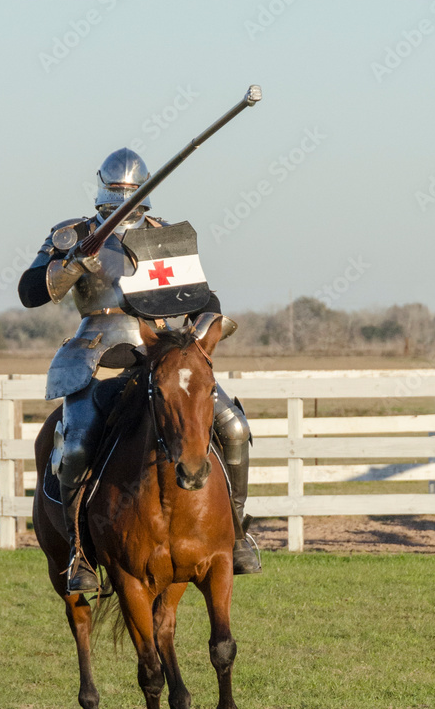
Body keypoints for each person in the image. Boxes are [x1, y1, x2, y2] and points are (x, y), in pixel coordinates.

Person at [18, 147, 261, 593]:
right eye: (118, 188)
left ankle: (239, 532)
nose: (125, 195)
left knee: (234, 427)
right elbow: (31, 291)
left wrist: (207, 331)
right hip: (98, 353)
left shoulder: (165, 236)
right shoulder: (73, 234)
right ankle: (79, 551)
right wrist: (70, 266)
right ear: (101, 188)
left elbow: (202, 299)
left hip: (165, 353)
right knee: (74, 448)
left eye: (132, 189)